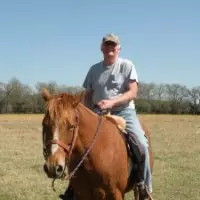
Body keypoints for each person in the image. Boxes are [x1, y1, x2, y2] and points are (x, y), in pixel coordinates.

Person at [60, 33, 153, 200]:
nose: (110, 47)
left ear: (118, 48)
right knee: (76, 144)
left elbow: (133, 92)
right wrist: (85, 111)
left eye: (113, 45)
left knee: (142, 145)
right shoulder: (94, 69)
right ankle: (73, 187)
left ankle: (143, 186)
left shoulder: (127, 65)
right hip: (98, 113)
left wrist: (112, 102)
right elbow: (87, 95)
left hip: (124, 111)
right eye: (107, 45)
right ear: (101, 48)